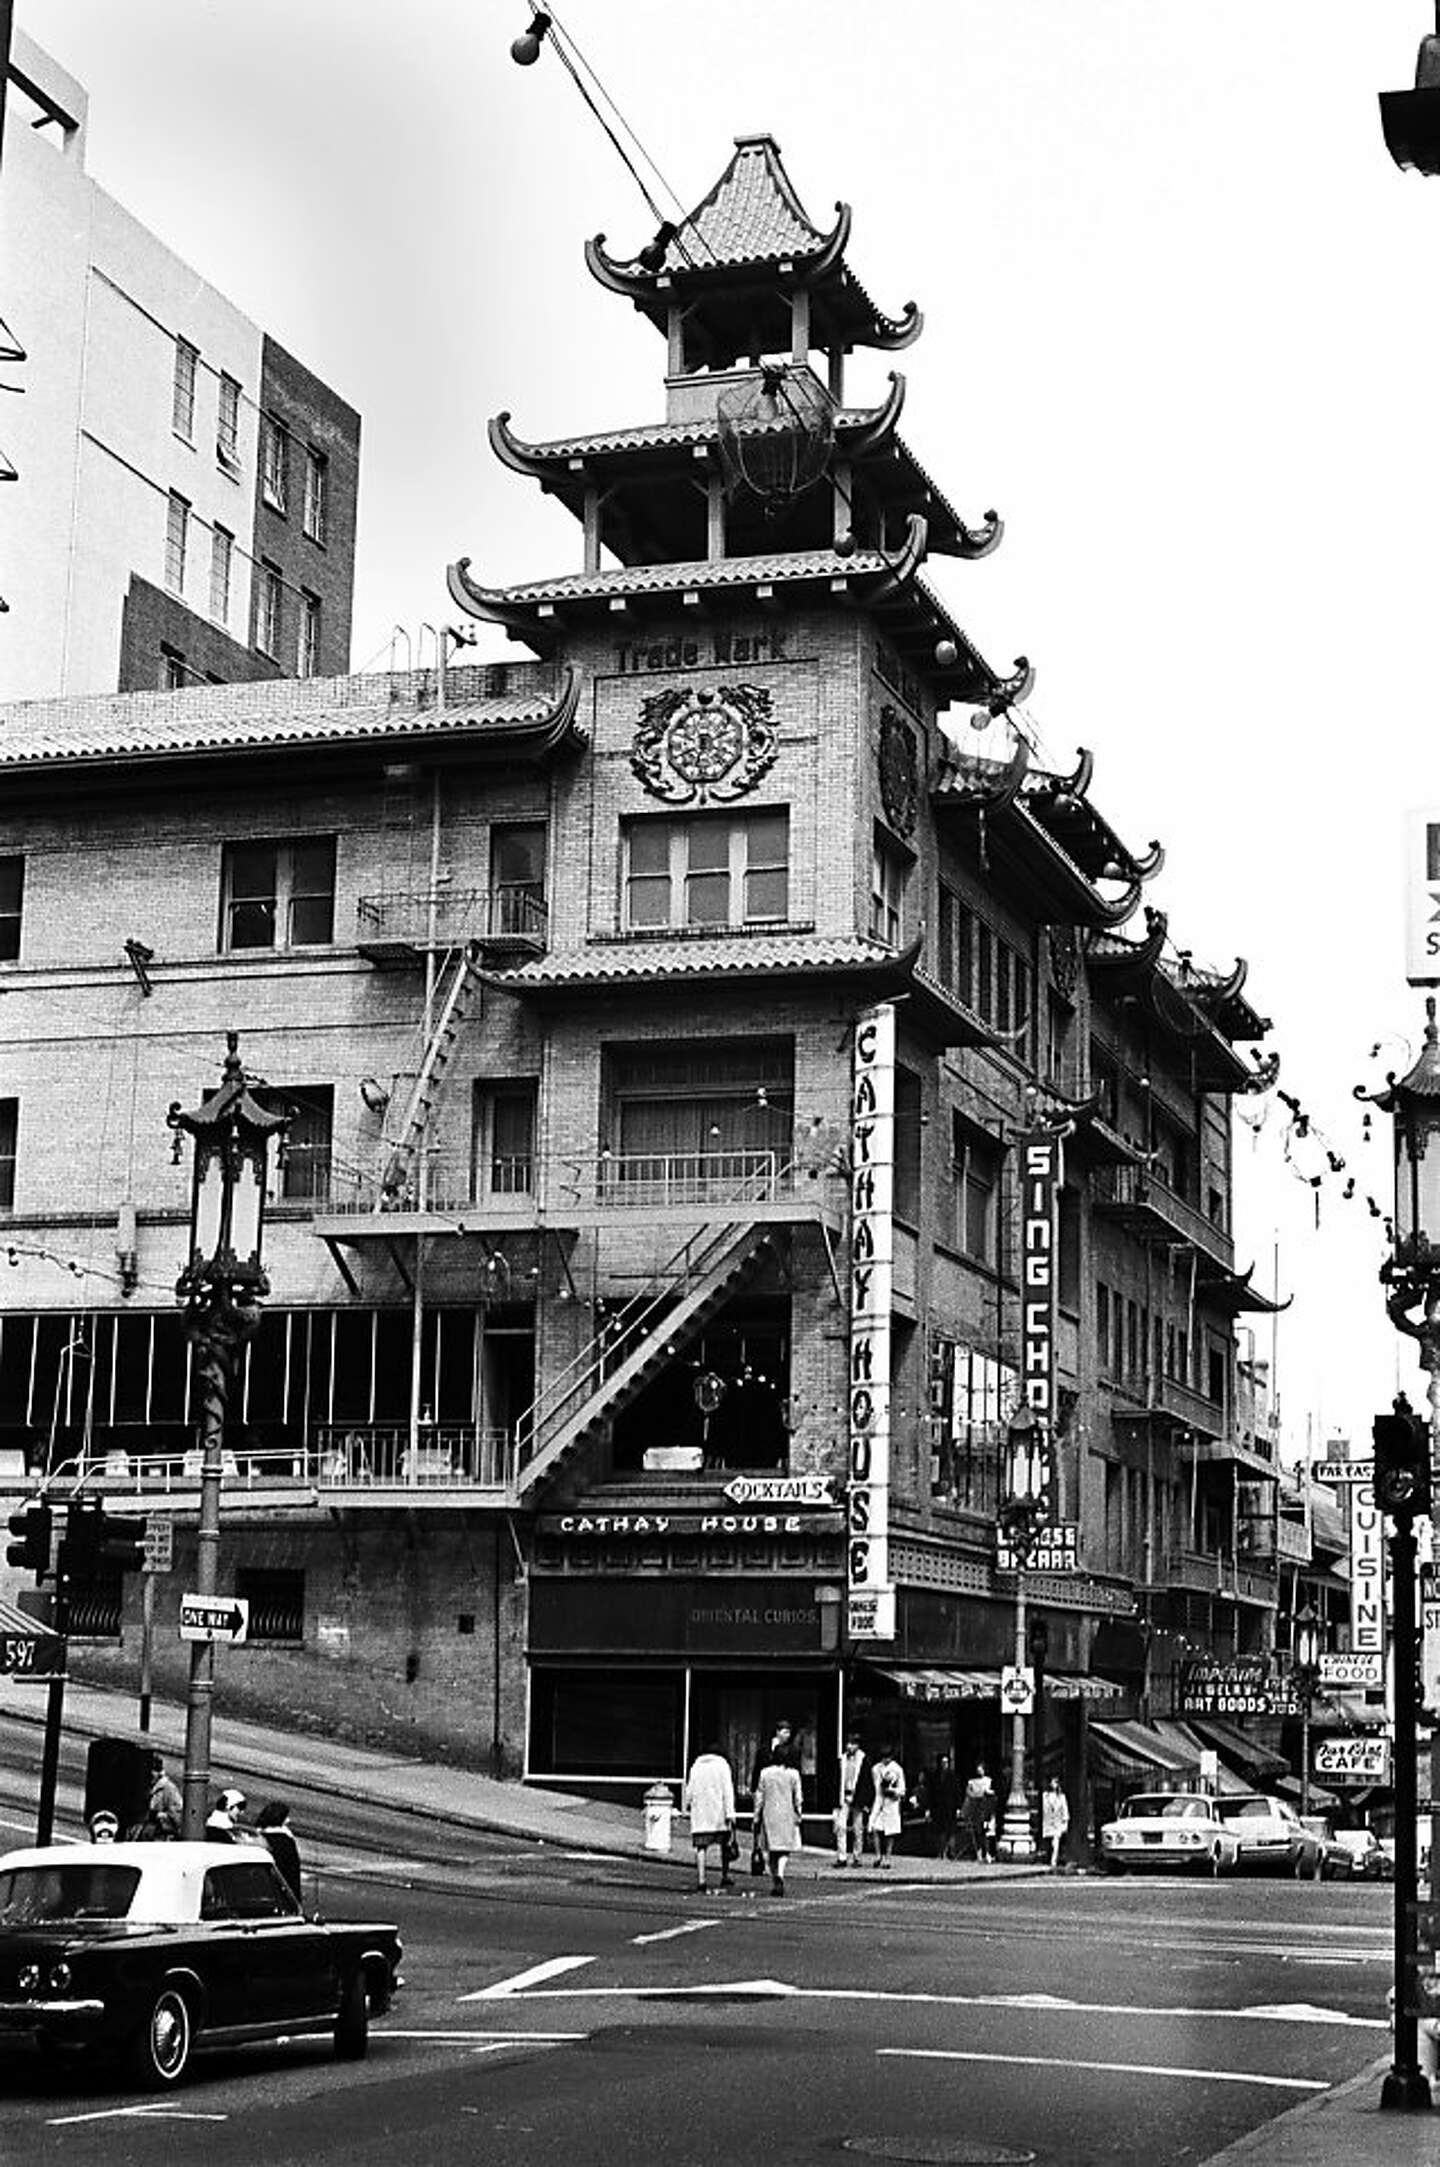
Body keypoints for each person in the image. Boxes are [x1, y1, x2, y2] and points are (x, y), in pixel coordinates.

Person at [682, 1741, 737, 1894]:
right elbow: (728, 1790)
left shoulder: (696, 1766)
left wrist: (685, 1806)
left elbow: (690, 1789)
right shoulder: (722, 1765)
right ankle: (725, 1874)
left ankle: (701, 1879)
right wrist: (730, 1813)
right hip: (718, 1812)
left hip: (700, 1813)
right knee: (724, 1844)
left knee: (701, 1846)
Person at [752, 1744, 804, 1896]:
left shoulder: (765, 1773)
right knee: (784, 1849)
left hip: (769, 1814)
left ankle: (774, 1876)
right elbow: (798, 1797)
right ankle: (780, 1874)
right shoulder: (793, 1774)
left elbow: (759, 1797)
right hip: (787, 1813)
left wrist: (756, 1816)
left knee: (771, 1848)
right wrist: (798, 1813)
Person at [835, 1733, 873, 1866]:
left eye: (852, 1743)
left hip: (858, 1797)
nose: (849, 1746)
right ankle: (842, 1857)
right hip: (844, 1795)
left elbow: (867, 1782)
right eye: (848, 1743)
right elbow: (836, 1780)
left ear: (857, 1745)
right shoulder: (842, 1759)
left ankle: (857, 1857)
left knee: (858, 1829)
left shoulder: (864, 1760)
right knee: (841, 1827)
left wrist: (865, 1802)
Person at [867, 1745, 907, 1867]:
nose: (885, 1760)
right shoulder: (875, 1769)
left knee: (890, 1832)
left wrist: (893, 1791)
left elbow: (902, 1790)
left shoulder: (897, 1769)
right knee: (875, 1828)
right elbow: (875, 1789)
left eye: (888, 1757)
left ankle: (888, 1857)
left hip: (892, 1803)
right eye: (883, 1758)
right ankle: (878, 1855)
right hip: (879, 1802)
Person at [256, 1799, 303, 1903]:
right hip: (284, 1891)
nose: (288, 1820)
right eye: (286, 1817)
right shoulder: (286, 1841)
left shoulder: (260, 1837)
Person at [129, 1752, 183, 1841]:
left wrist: (157, 1816)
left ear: (160, 1772)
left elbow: (178, 1818)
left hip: (160, 1839)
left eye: (153, 1771)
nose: (150, 1774)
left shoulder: (168, 1789)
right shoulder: (145, 1787)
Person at [929, 1752, 961, 1860]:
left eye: (946, 1762)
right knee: (940, 1831)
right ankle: (941, 1852)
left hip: (950, 1807)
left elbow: (957, 1792)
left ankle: (950, 1852)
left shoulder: (953, 1776)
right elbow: (932, 1793)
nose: (944, 1764)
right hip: (939, 1807)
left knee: (950, 1831)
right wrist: (930, 1808)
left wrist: (958, 1807)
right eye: (943, 1762)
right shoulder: (935, 1776)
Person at [961, 1765, 996, 1863]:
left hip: (986, 1810)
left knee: (987, 1833)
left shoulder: (988, 1781)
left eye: (981, 1769)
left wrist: (986, 1794)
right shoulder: (972, 1782)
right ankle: (979, 1853)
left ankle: (988, 1853)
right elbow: (968, 1793)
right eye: (978, 1770)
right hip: (976, 1810)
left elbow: (992, 1793)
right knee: (977, 1832)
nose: (979, 1771)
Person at [1041, 1776, 1070, 1870]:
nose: (1054, 1784)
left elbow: (1065, 1810)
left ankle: (1053, 1861)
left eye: (1056, 1783)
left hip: (1058, 1822)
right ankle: (1049, 1858)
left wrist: (1065, 1822)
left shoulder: (1061, 1797)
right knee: (1049, 1842)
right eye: (1053, 1782)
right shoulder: (1045, 1795)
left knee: (1055, 1842)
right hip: (1048, 1822)